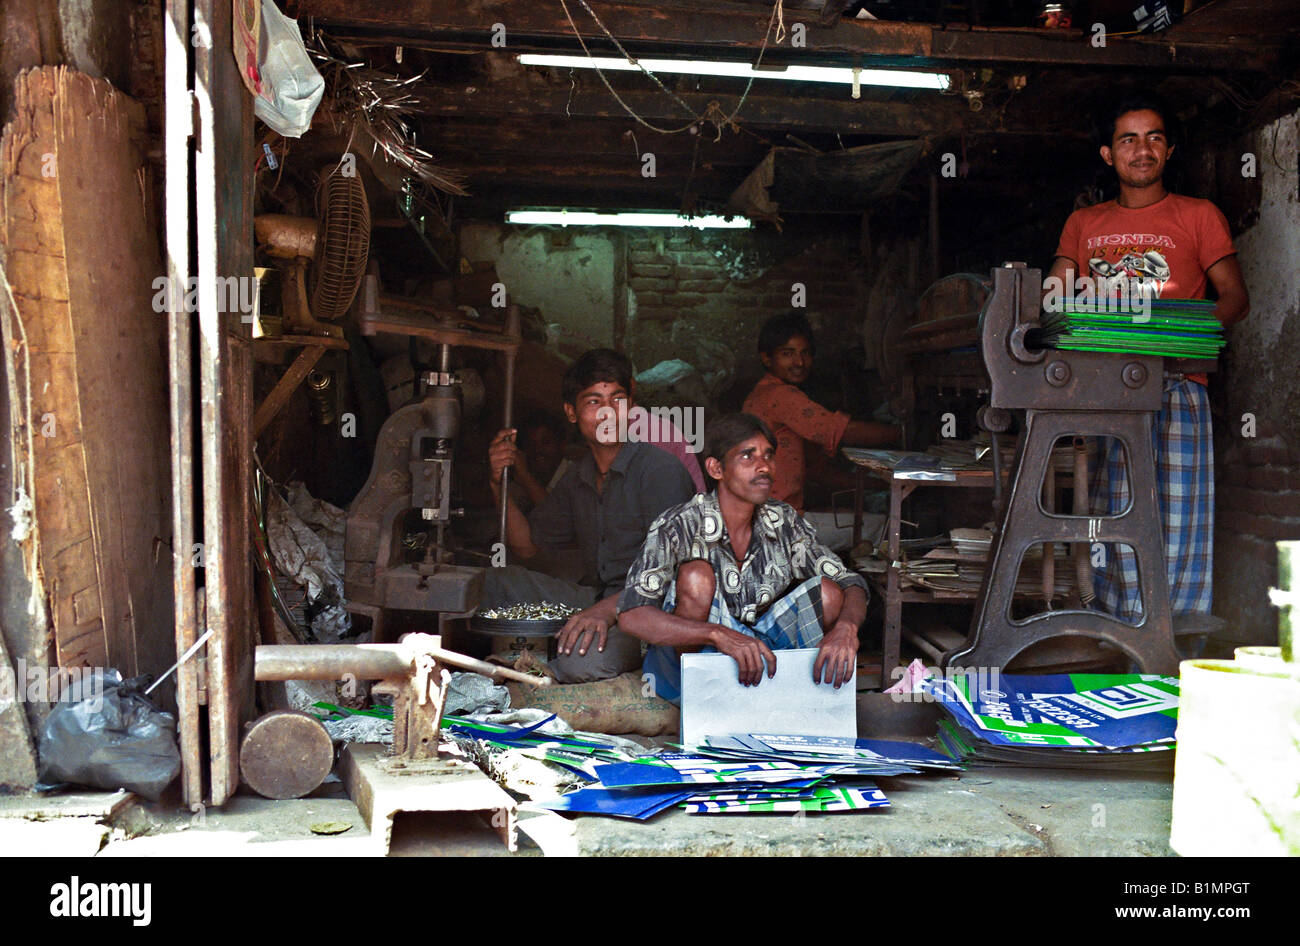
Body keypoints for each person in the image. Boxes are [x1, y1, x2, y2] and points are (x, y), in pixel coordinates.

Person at [1045, 93, 1249, 619]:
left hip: (1179, 386)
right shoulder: (1083, 223)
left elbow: (1235, 297)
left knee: (1177, 518)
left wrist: (1182, 342)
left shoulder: (1199, 216)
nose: (1142, 149)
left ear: (1169, 150)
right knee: (1110, 512)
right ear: (1108, 155)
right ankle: (1111, 628)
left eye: (1154, 137)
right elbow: (1054, 297)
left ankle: (1171, 636)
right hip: (1105, 393)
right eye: (1128, 139)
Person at [618, 413, 869, 704]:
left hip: (760, 652)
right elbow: (632, 615)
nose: (764, 467)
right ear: (715, 468)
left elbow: (851, 582)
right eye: (747, 457)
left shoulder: (783, 520)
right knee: (696, 577)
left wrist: (846, 629)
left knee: (828, 593)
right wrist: (717, 634)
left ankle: (792, 695)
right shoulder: (679, 524)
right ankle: (699, 699)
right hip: (689, 667)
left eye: (768, 456)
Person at [487, 349, 696, 682]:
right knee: (495, 581)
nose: (609, 414)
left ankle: (555, 669)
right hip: (596, 596)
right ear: (571, 412)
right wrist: (499, 482)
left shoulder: (659, 471)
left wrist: (605, 611)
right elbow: (526, 545)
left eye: (618, 399)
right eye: (594, 402)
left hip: (648, 609)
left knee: (578, 662)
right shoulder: (578, 477)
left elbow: (672, 571)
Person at [742, 312, 900, 529]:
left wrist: (880, 483)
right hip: (777, 521)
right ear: (767, 358)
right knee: (883, 527)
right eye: (788, 353)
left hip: (763, 516)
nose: (799, 362)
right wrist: (904, 432)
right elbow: (839, 431)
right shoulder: (780, 395)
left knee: (856, 520)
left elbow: (818, 471)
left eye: (805, 353)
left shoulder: (760, 393)